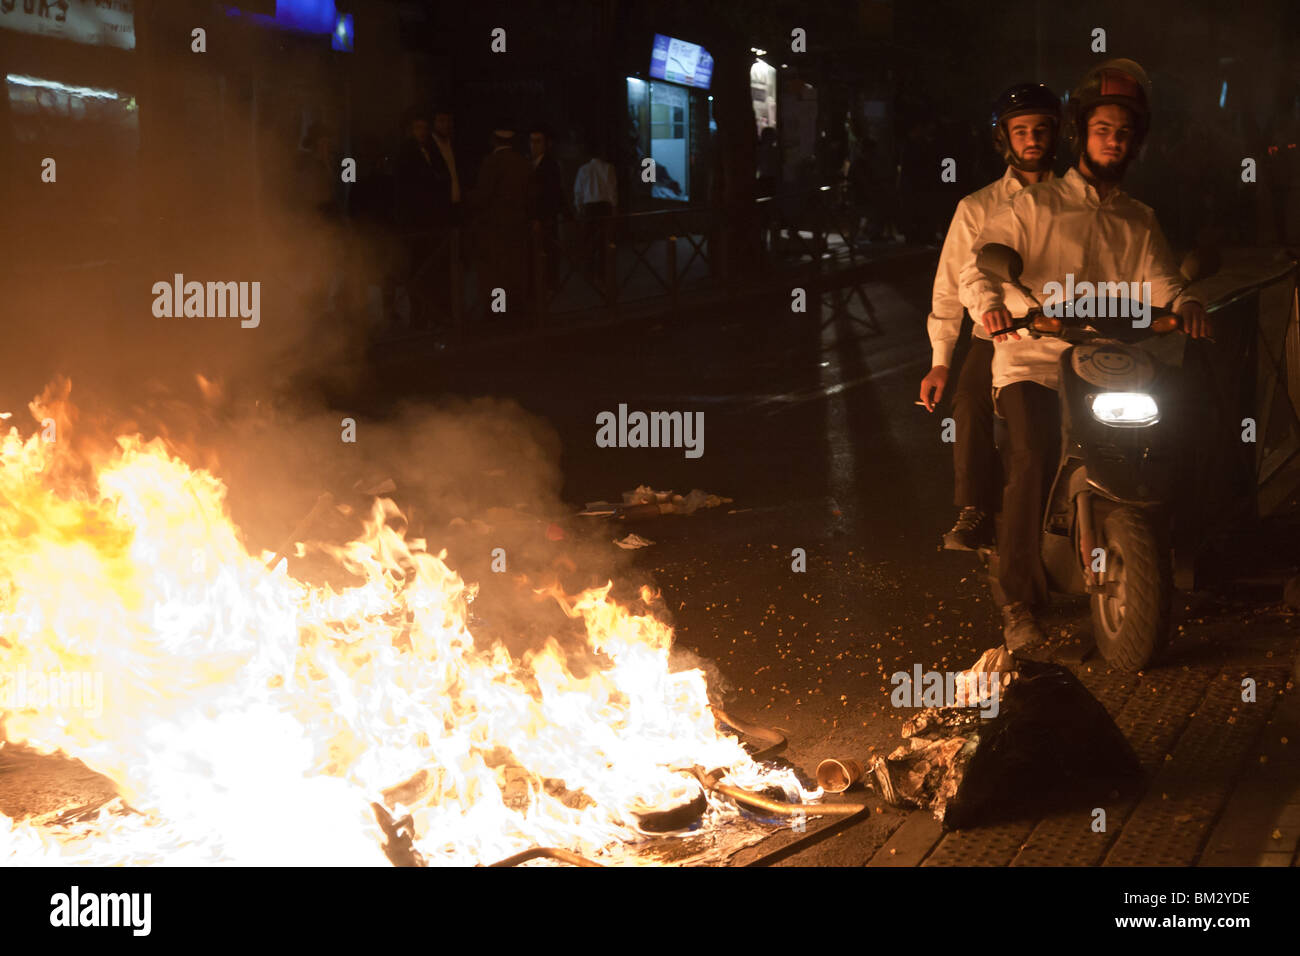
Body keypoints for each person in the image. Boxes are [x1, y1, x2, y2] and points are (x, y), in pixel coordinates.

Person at [960, 58, 1212, 650]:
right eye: (1103, 129)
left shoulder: (1139, 220)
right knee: (1032, 454)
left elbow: (1165, 285)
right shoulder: (1033, 206)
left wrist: (1189, 301)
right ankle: (1018, 601)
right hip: (1033, 359)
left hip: (1108, 360)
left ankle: (1178, 551)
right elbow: (982, 267)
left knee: (1168, 434)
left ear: (1135, 143)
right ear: (1082, 133)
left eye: (1124, 132)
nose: (1114, 140)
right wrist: (992, 309)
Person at [921, 84, 1061, 554]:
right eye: (1021, 130)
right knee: (969, 400)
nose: (1032, 138)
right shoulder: (977, 207)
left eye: (1041, 129)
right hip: (1001, 336)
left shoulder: (1077, 202)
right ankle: (975, 507)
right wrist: (941, 359)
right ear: (1004, 138)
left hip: (1073, 331)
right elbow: (950, 284)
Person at [469, 126, 532, 316]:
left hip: (494, 229)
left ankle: (499, 310)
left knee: (496, 274)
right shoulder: (523, 163)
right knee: (515, 270)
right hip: (518, 227)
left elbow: (483, 196)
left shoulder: (491, 162)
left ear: (493, 141)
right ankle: (516, 309)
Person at [528, 124, 567, 302]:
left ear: (546, 144)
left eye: (538, 142)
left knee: (548, 252)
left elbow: (552, 193)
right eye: (532, 141)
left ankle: (550, 285)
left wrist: (543, 216)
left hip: (545, 218)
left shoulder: (549, 165)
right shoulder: (532, 163)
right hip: (539, 217)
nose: (534, 145)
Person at [573, 139, 617, 282]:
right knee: (604, 241)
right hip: (604, 207)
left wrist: (579, 208)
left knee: (588, 241)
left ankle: (589, 271)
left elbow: (578, 191)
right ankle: (602, 272)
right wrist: (614, 207)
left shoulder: (583, 169)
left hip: (589, 207)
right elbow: (612, 190)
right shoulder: (608, 168)